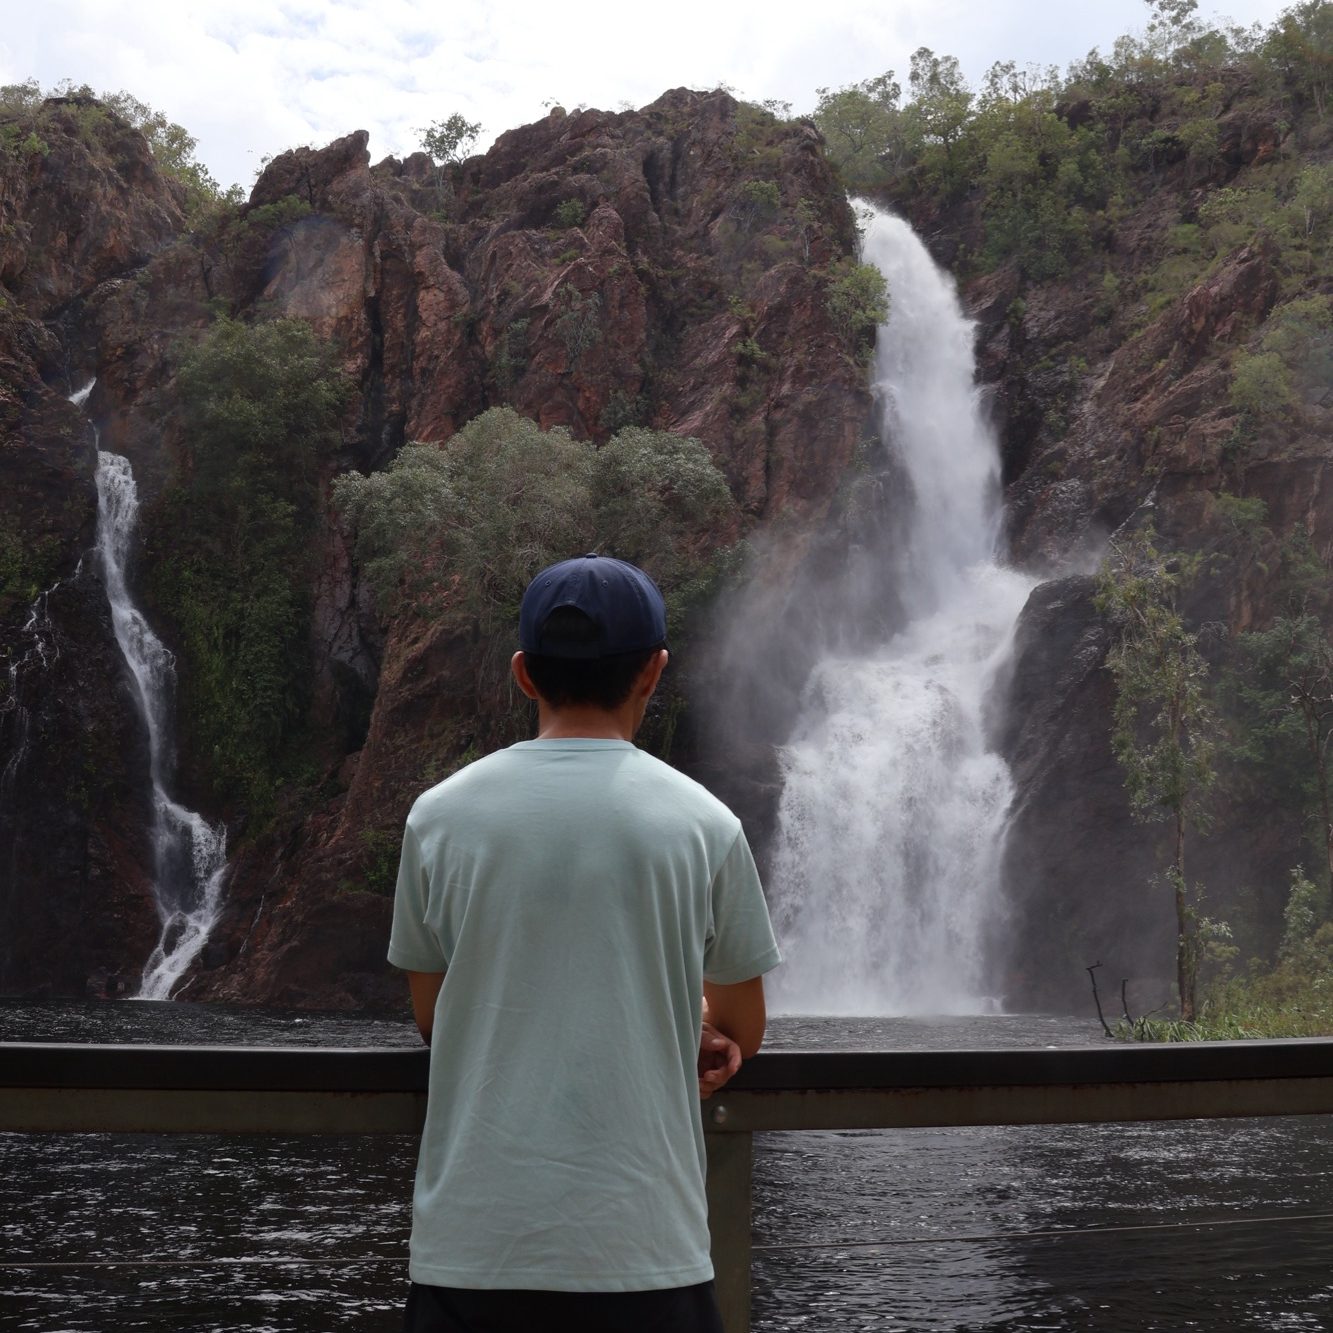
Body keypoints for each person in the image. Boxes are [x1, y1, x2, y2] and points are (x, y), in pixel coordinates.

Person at [387, 552, 782, 1333]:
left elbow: (437, 1017)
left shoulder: (436, 817)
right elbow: (741, 1030)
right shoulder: (706, 825)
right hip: (646, 1251)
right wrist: (685, 1016)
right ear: (653, 672)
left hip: (472, 1251)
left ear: (524, 674)